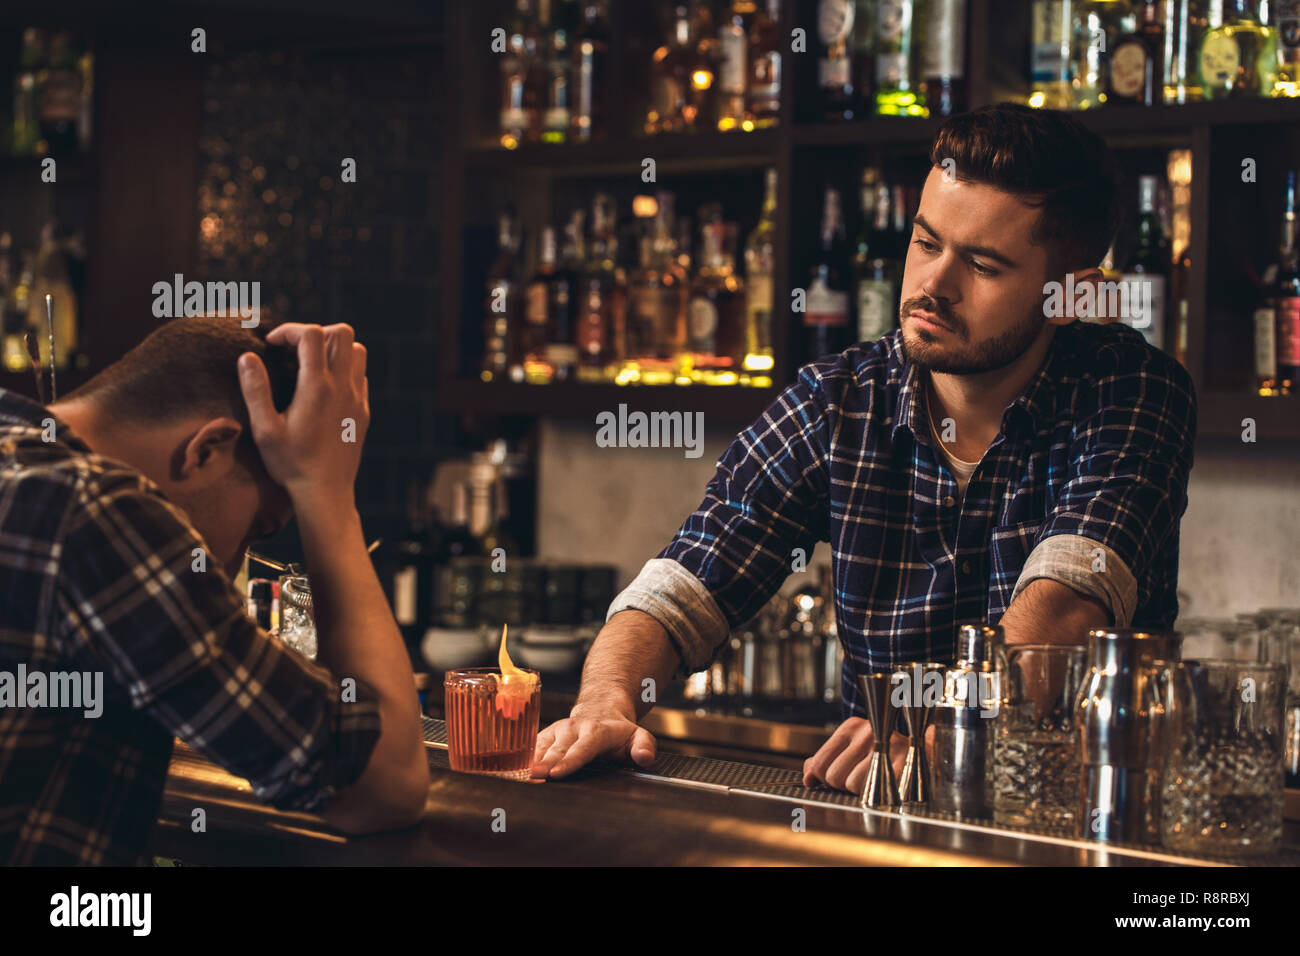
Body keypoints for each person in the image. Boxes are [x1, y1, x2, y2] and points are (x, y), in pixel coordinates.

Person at [532, 103, 1197, 794]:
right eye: (926, 242)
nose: (934, 285)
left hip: (1077, 826)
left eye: (983, 265)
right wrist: (606, 702)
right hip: (883, 822)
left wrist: (940, 743)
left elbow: (1063, 605)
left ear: (1068, 296)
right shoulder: (840, 400)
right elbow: (685, 584)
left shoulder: (1132, 391)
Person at [0, 317, 428, 865]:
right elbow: (383, 787)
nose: (229, 570)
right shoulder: (97, 512)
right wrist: (327, 491)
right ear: (207, 450)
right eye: (260, 529)